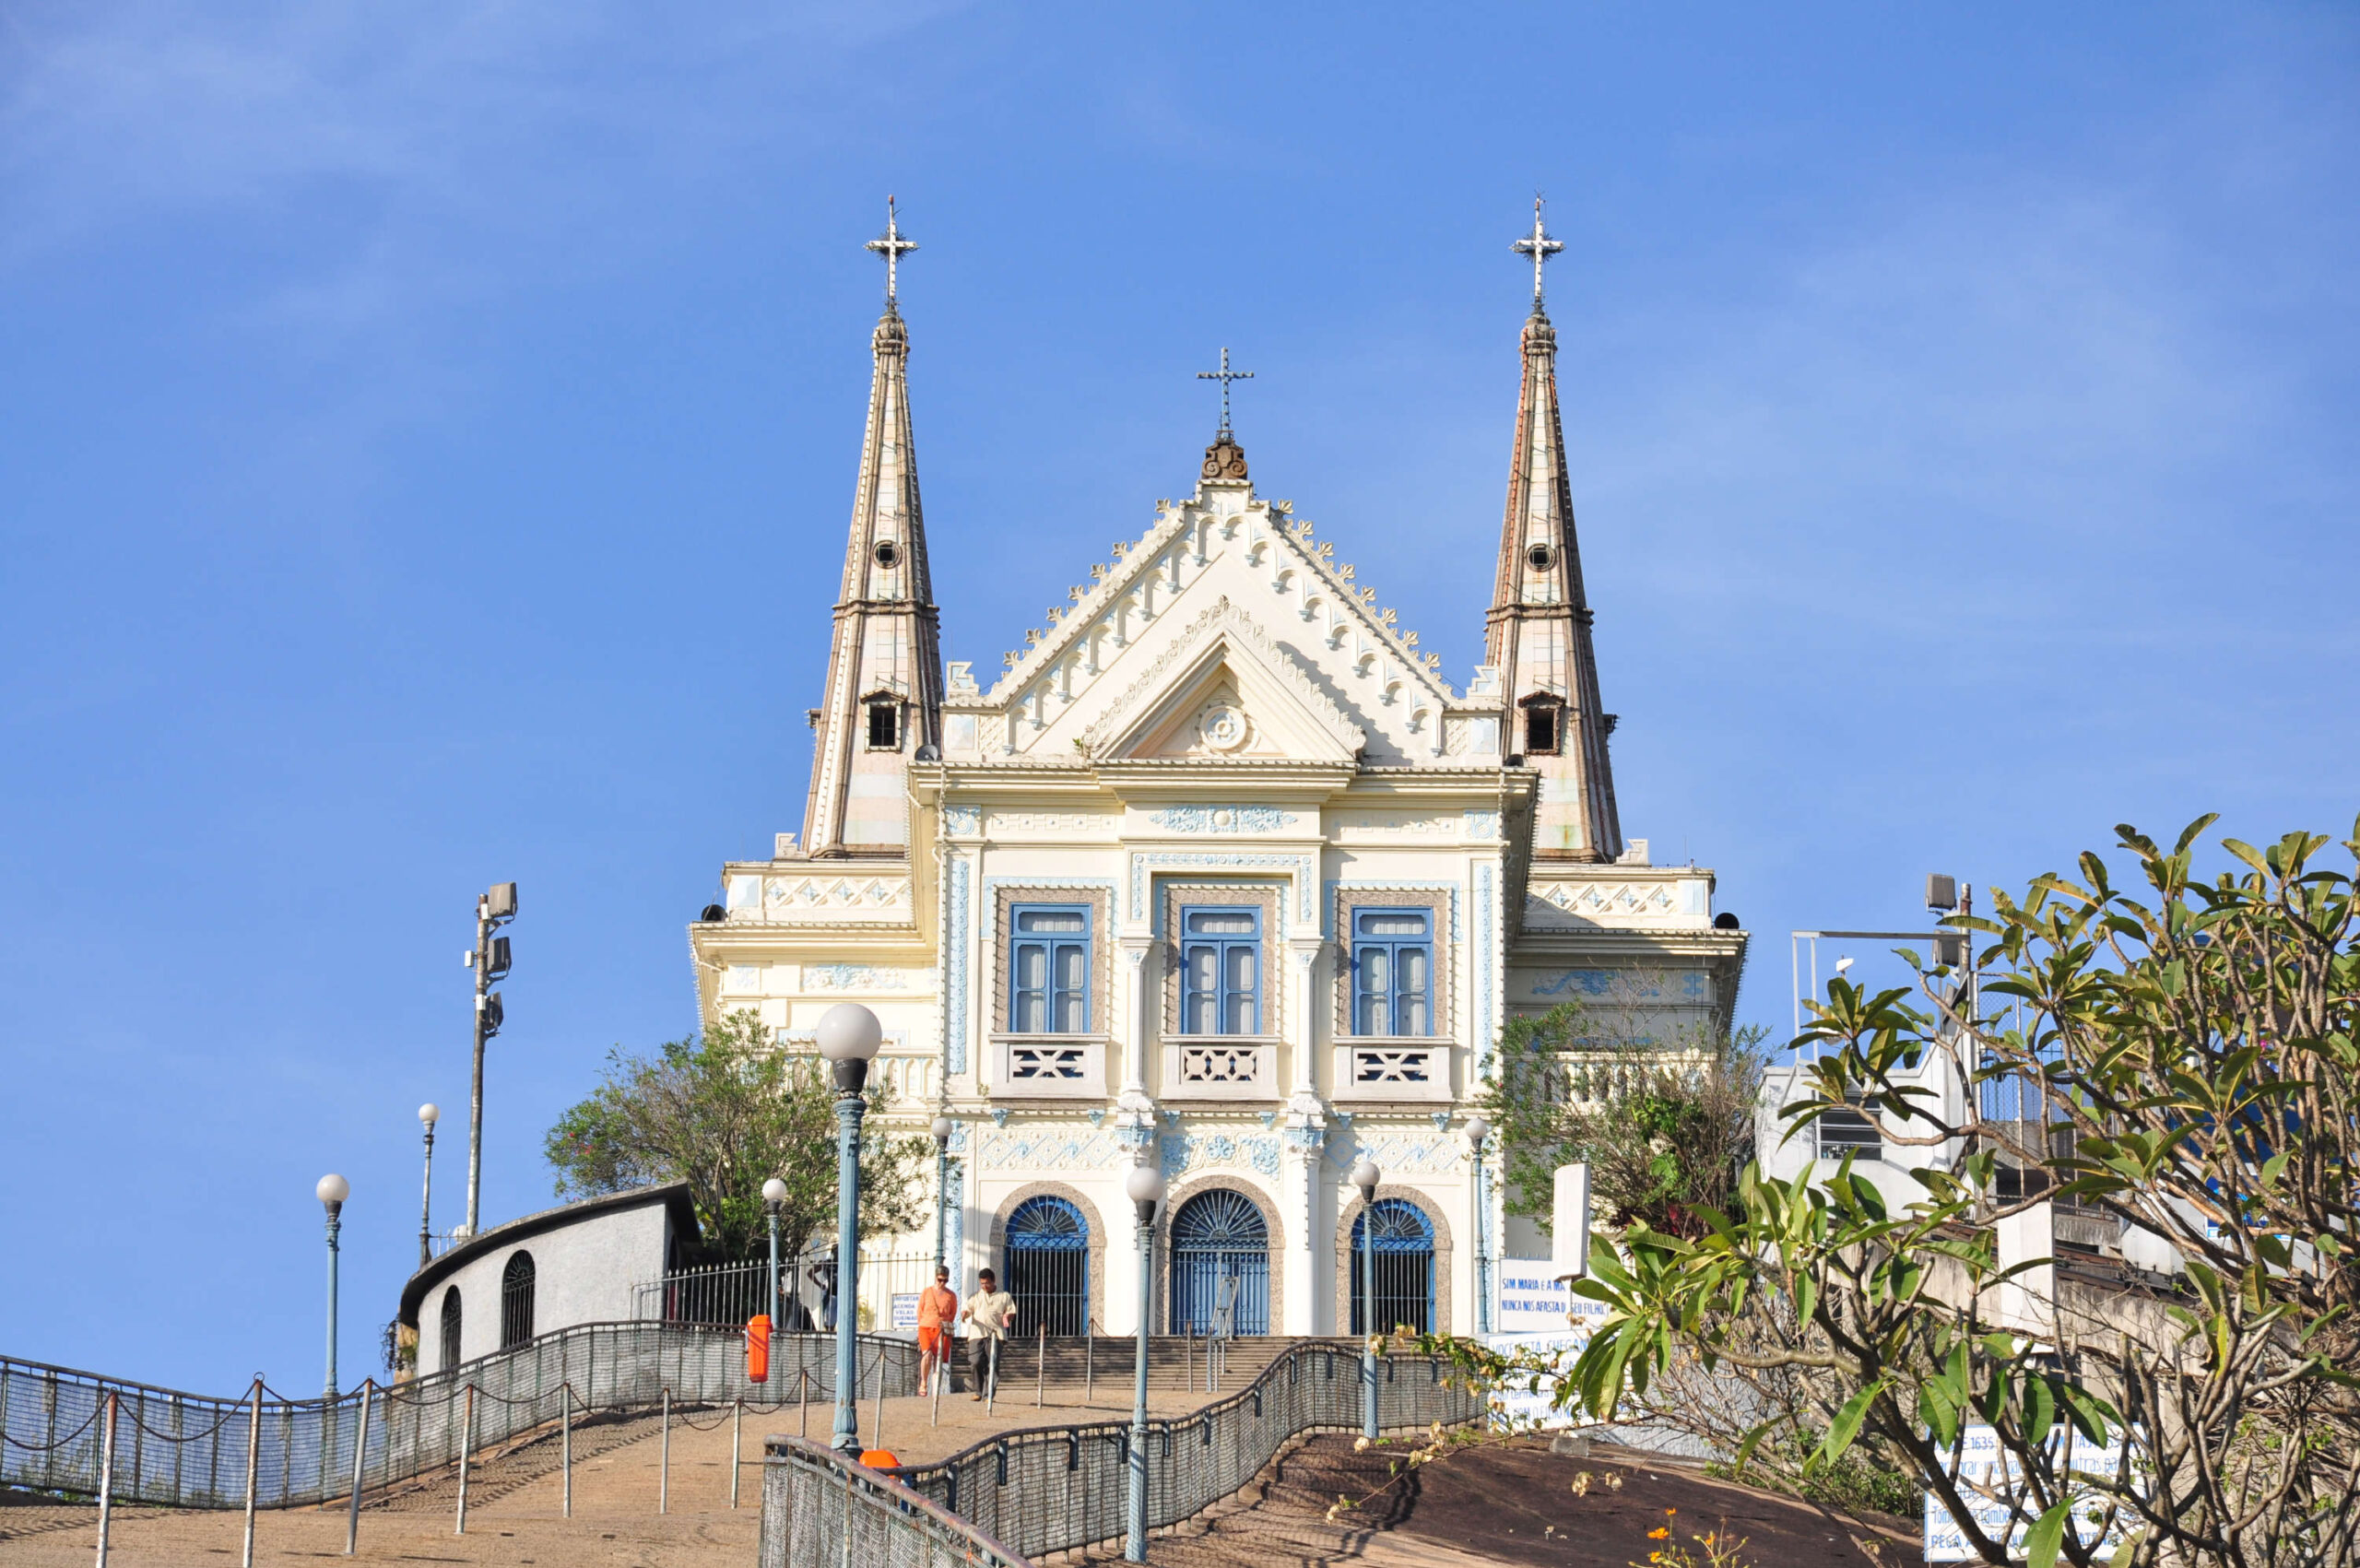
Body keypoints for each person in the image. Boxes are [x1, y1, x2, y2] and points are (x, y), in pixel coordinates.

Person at [962, 1267, 1016, 1400]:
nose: (984, 1286)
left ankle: (989, 1394)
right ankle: (978, 1391)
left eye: (987, 1283)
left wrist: (1007, 1317)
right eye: (982, 1284)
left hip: (996, 1335)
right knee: (975, 1362)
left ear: (993, 1281)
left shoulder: (1004, 1296)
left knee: (993, 1364)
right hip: (977, 1333)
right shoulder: (976, 1296)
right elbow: (968, 1309)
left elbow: (1011, 1311)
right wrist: (965, 1314)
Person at [916, 1266, 960, 1392]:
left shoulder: (951, 1295)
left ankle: (936, 1389)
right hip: (926, 1327)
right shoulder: (927, 1292)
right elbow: (920, 1311)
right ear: (935, 1277)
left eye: (945, 1281)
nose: (942, 1283)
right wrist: (925, 1322)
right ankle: (923, 1382)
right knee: (927, 1354)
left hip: (942, 1330)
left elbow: (952, 1312)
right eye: (940, 1280)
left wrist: (944, 1324)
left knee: (939, 1359)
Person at [806, 1252, 839, 1333]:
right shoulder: (827, 1263)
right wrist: (820, 1285)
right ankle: (829, 1339)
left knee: (836, 1322)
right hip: (829, 1295)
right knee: (829, 1324)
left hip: (841, 1296)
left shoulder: (845, 1264)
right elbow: (810, 1273)